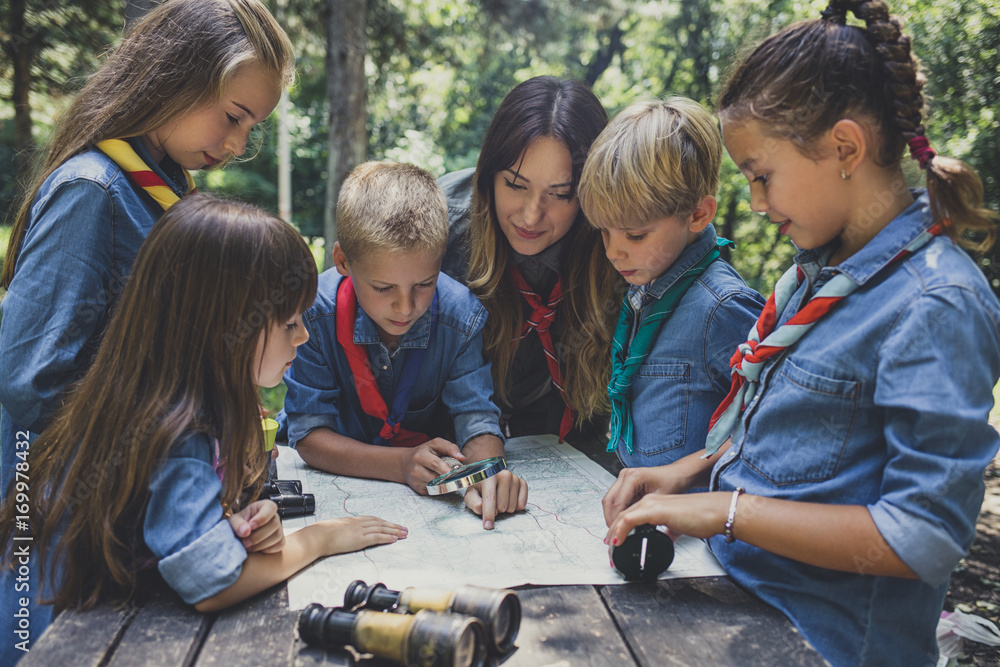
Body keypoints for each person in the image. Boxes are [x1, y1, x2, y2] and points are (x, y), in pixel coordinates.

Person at [603, 1, 1000, 664]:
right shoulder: (820, 276)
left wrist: (723, 511)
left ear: (844, 148)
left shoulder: (937, 303)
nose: (756, 204)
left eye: (762, 176)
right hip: (741, 603)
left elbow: (922, 537)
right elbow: (806, 443)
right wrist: (687, 473)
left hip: (823, 641)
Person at [0, 195, 407, 665]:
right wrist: (320, 539)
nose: (304, 336)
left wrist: (225, 527)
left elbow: (156, 528)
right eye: (290, 322)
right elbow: (213, 583)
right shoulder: (176, 431)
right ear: (228, 326)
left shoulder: (150, 396)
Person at [0, 0, 294, 504]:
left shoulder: (169, 189)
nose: (233, 145)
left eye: (250, 129)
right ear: (174, 75)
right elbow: (32, 382)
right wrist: (172, 435)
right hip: (60, 509)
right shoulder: (92, 191)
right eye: (232, 116)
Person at [282, 161, 528, 530]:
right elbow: (310, 436)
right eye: (383, 288)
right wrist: (400, 463)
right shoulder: (313, 314)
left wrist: (487, 473)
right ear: (343, 262)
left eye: (424, 284)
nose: (406, 306)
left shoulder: (461, 317)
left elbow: (476, 420)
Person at [577, 98, 764, 468]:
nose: (614, 252)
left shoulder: (724, 309)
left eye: (635, 235)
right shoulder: (644, 290)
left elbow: (765, 431)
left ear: (697, 215)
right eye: (604, 233)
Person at [437, 76, 625, 440]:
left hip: (568, 431)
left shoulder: (618, 240)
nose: (530, 216)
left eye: (560, 194)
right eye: (515, 185)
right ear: (489, 174)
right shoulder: (438, 225)